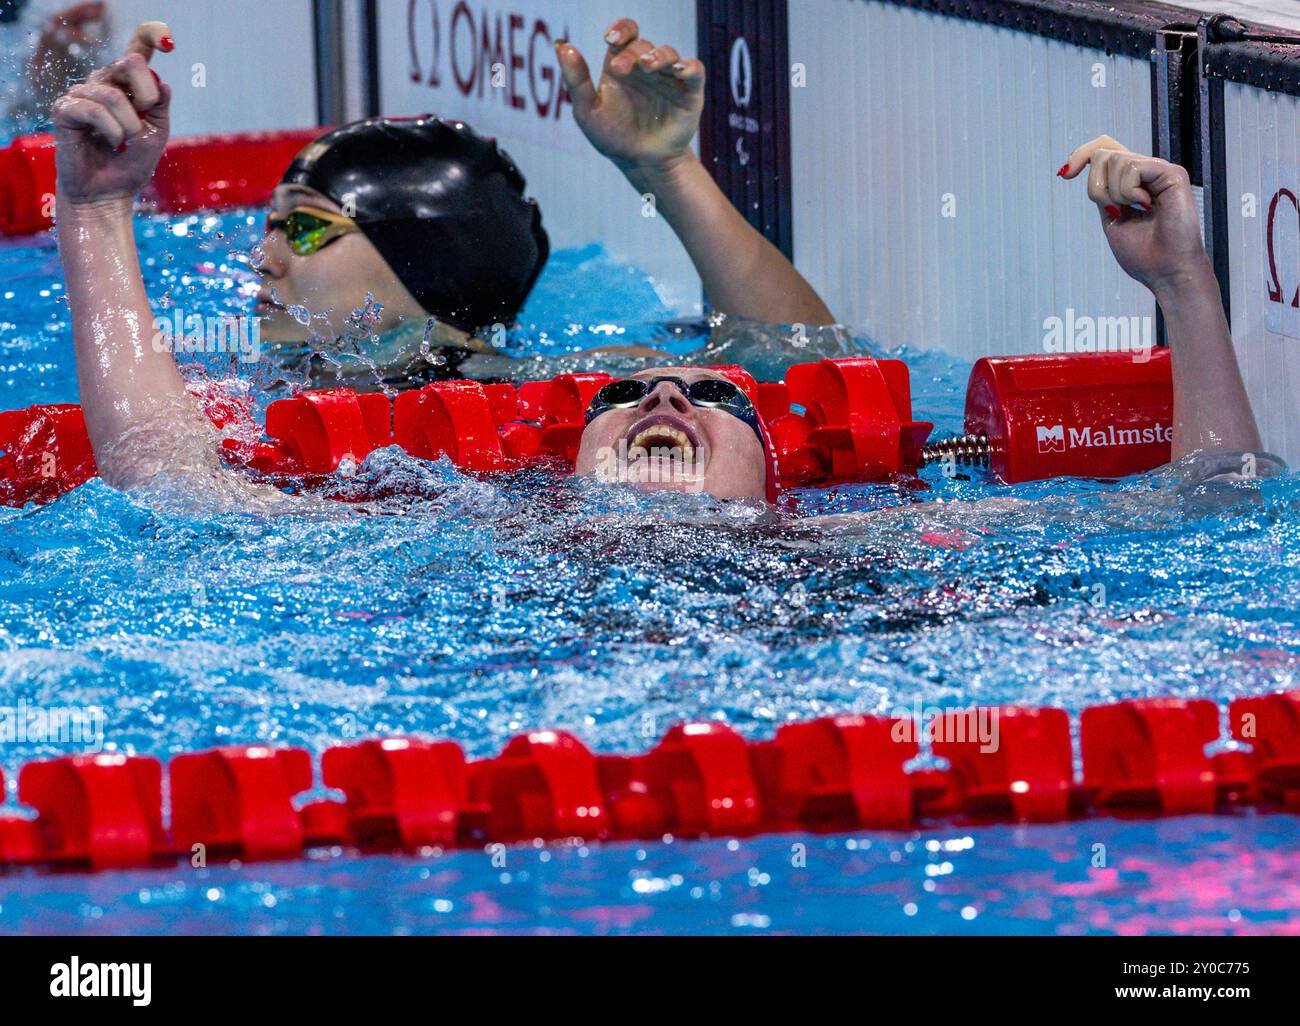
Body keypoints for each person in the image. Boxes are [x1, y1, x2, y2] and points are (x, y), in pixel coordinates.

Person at [254, 16, 836, 389]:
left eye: (304, 226)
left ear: (422, 258)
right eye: (271, 223)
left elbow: (804, 365)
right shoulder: (245, 378)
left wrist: (667, 172)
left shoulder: (548, 390)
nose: (264, 258)